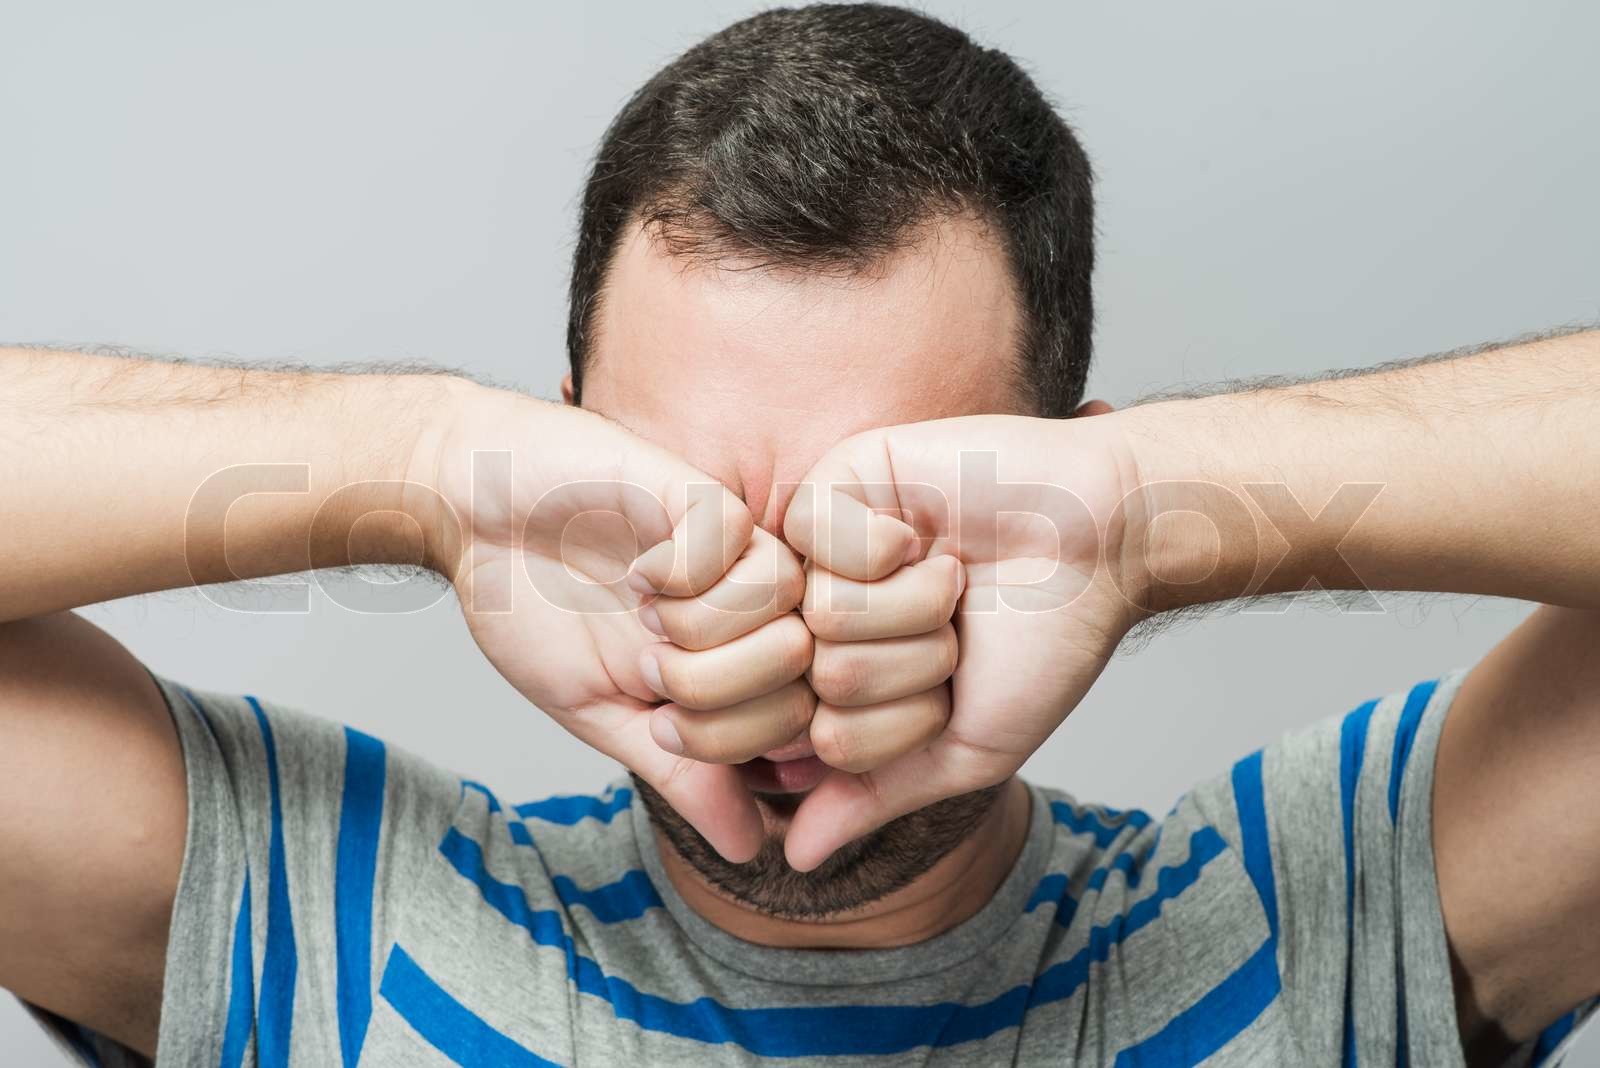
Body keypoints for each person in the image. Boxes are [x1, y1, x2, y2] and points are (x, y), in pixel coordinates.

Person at [1, 5, 1596, 1066]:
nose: (774, 617)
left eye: (895, 513)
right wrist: (420, 469)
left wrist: (1149, 518)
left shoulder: (1316, 919)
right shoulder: (327, 917)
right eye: (671, 506)